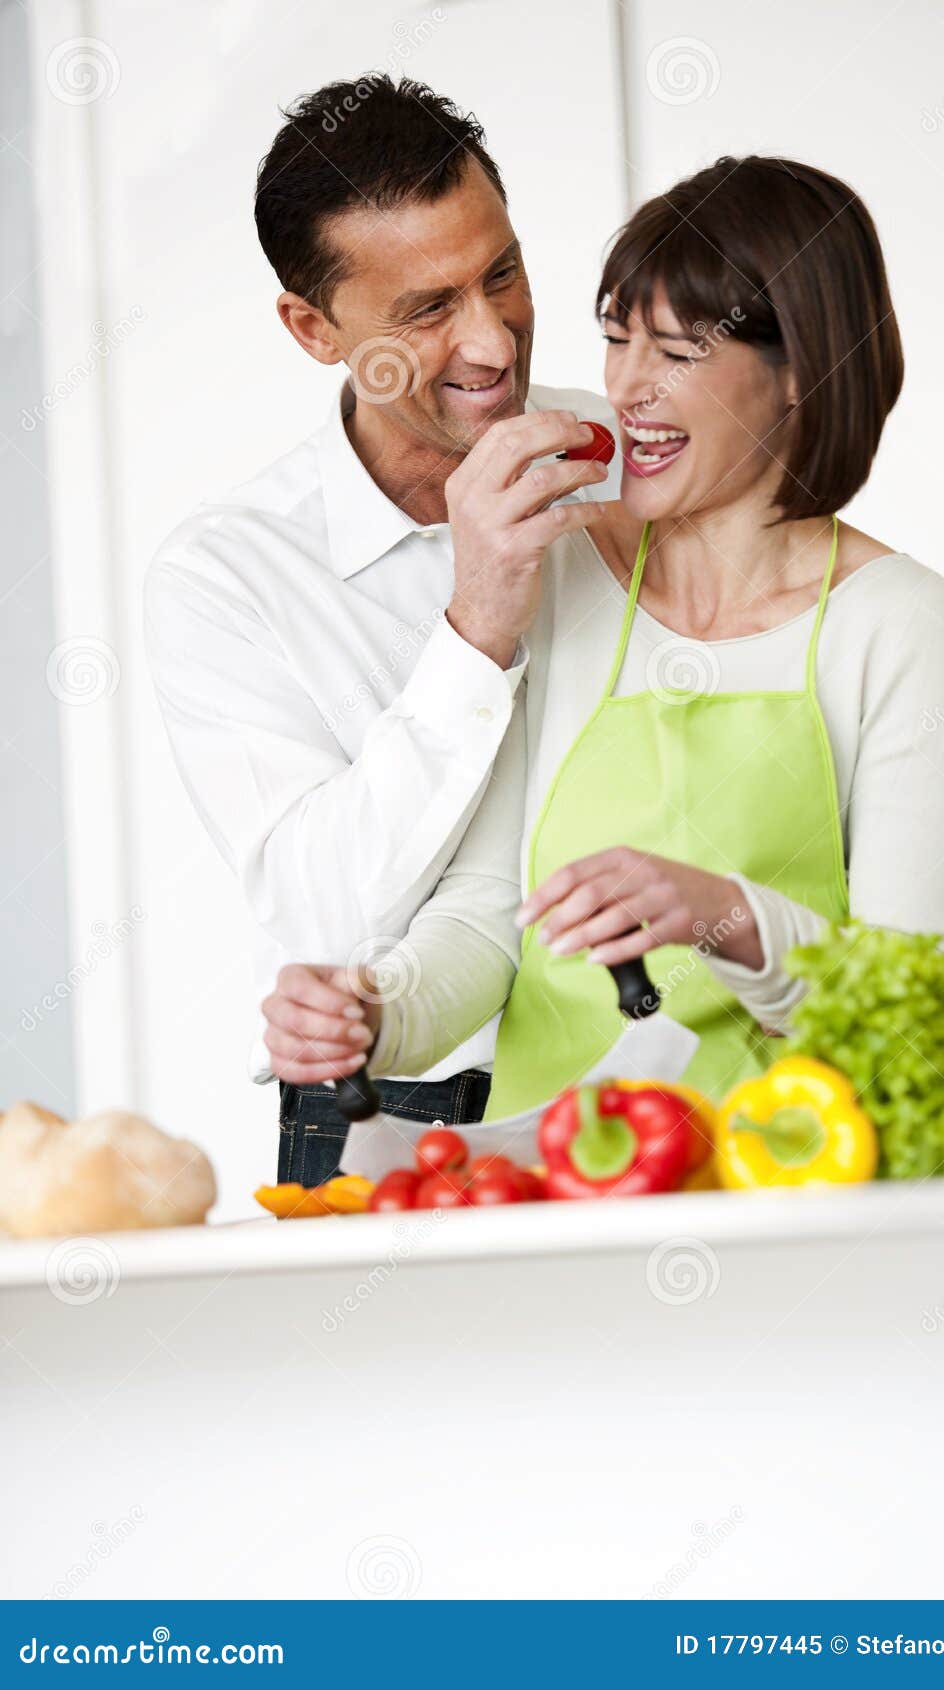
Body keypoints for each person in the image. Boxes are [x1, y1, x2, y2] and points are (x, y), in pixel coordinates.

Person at [262, 155, 944, 1134]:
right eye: (615, 339)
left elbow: (913, 1019)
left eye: (679, 352)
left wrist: (718, 913)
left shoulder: (898, 623)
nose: (625, 389)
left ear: (798, 372)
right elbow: (485, 915)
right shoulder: (561, 571)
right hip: (556, 1189)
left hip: (791, 1190)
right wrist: (375, 1009)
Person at [144, 77, 617, 1172]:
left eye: (500, 273)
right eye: (426, 309)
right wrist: (477, 623)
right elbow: (327, 914)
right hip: (379, 1116)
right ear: (314, 330)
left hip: (640, 1082)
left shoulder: (628, 463)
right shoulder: (226, 576)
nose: (494, 344)